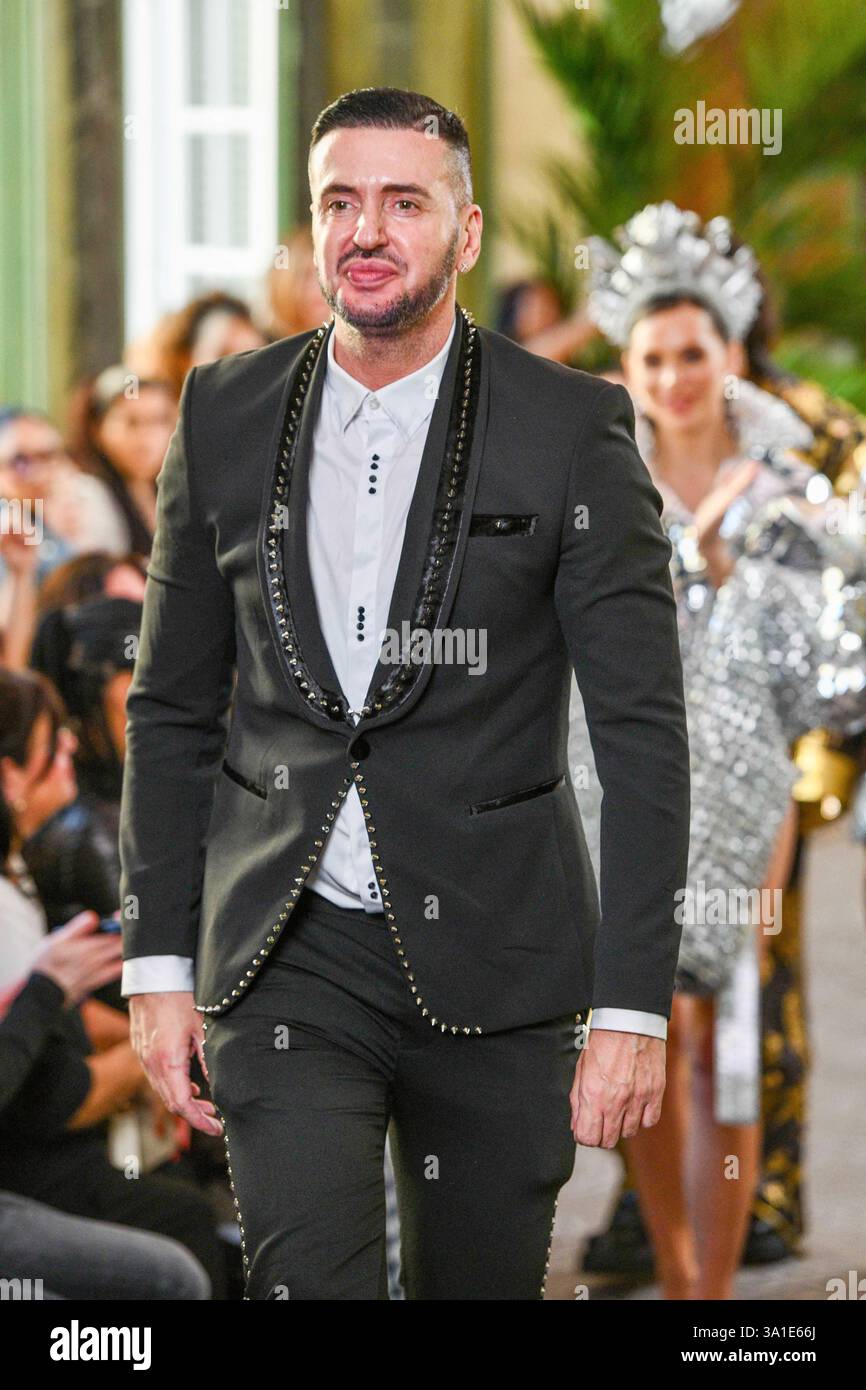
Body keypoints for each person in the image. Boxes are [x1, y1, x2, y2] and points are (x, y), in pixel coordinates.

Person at [119, 86, 690, 1301]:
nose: (365, 230)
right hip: (287, 948)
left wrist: (631, 1002)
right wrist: (156, 966)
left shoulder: (571, 427)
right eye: (339, 200)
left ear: (465, 232)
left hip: (498, 948)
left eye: (401, 202)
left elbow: (641, 734)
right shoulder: (222, 413)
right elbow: (170, 709)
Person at [570, 201, 855, 1298]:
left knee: (723, 1040)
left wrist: (785, 813)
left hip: (751, 801)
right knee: (648, 1025)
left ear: (728, 353)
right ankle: (670, 1255)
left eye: (693, 352)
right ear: (626, 365)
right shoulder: (595, 485)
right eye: (653, 356)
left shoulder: (789, 489)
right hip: (619, 787)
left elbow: (822, 677)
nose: (676, 375)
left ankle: (711, 1293)